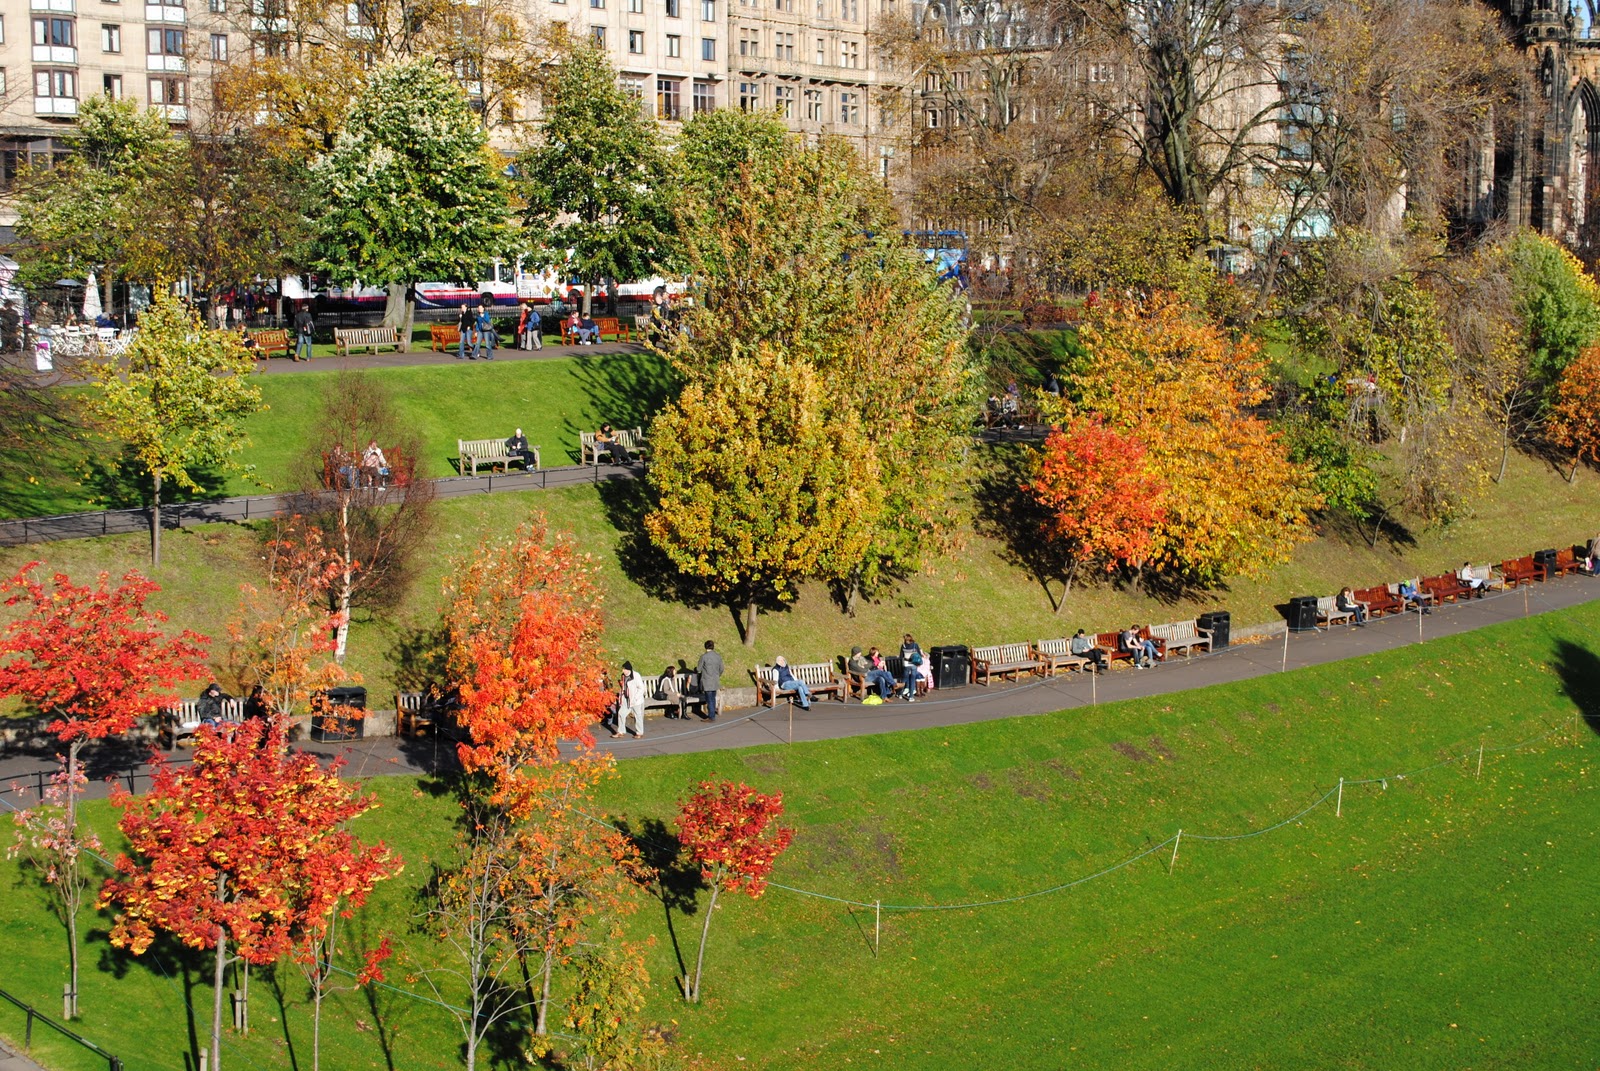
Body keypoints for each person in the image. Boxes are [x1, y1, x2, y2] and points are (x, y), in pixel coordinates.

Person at [613, 661, 646, 738]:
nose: (623, 671)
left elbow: (641, 688)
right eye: (623, 669)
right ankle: (621, 731)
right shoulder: (623, 676)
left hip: (636, 700)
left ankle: (639, 733)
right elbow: (623, 688)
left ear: (628, 669)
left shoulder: (636, 676)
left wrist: (636, 698)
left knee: (638, 716)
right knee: (621, 713)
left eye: (624, 669)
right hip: (626, 699)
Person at [696, 640, 723, 721]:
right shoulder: (718, 656)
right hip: (715, 680)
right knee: (713, 698)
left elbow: (698, 669)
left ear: (705, 646)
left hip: (707, 681)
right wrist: (718, 675)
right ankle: (712, 714)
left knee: (709, 700)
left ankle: (711, 717)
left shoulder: (704, 657)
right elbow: (721, 668)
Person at [898, 633, 924, 701]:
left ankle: (900, 694)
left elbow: (901, 656)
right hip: (914, 664)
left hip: (906, 664)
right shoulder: (915, 645)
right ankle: (911, 697)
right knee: (912, 680)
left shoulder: (903, 645)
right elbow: (919, 654)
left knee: (904, 679)